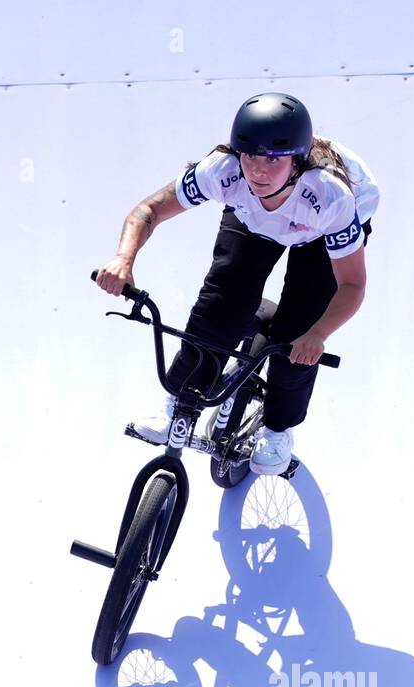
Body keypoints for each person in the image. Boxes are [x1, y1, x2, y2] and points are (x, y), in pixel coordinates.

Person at [94, 92, 379, 475]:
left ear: (295, 161)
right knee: (220, 304)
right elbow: (148, 211)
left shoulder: (331, 197)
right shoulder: (225, 171)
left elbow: (352, 285)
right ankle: (180, 405)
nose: (258, 171)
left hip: (318, 232)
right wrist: (123, 259)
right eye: (250, 157)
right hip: (253, 219)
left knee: (297, 338)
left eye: (273, 160)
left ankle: (278, 429)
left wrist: (319, 333)